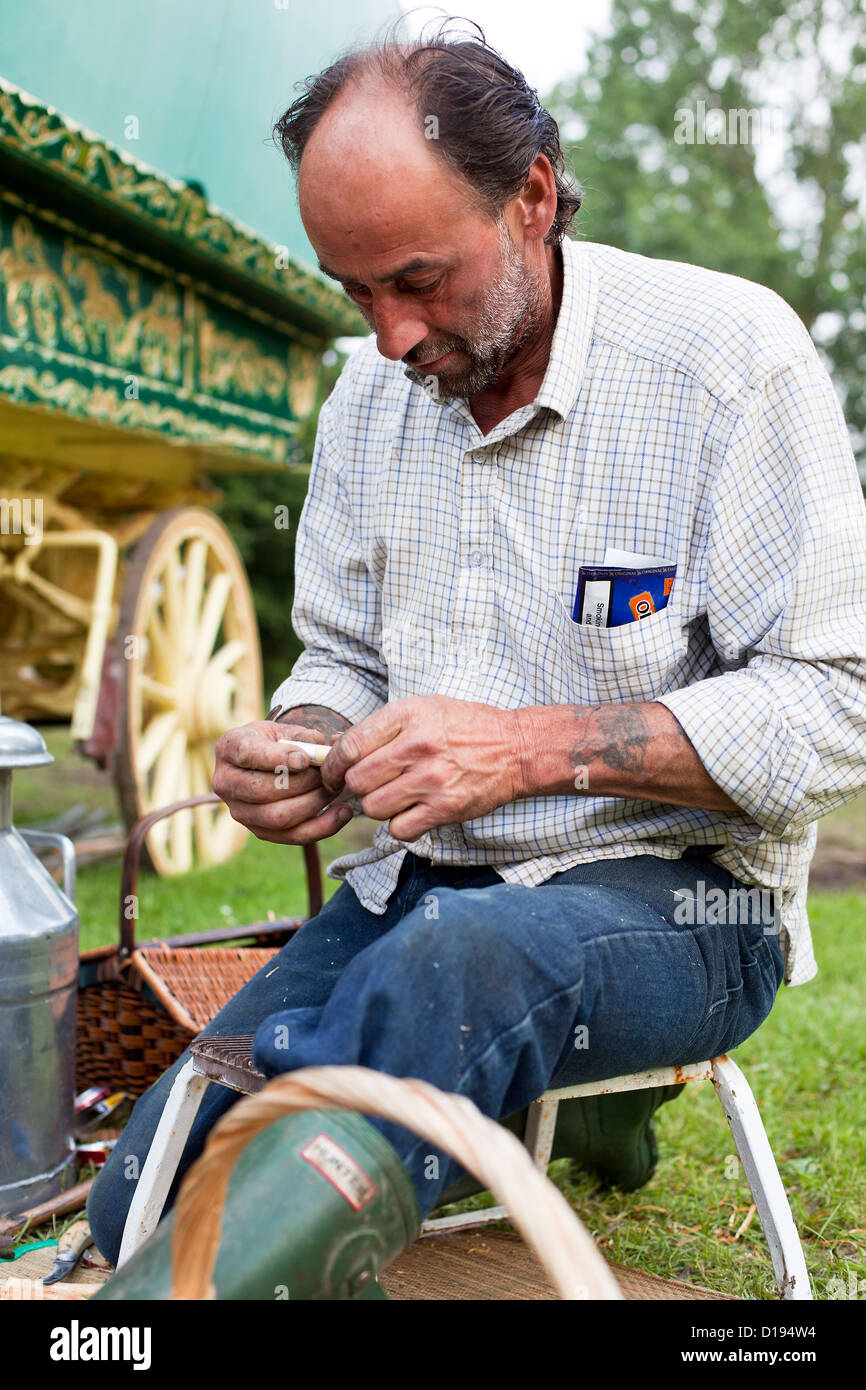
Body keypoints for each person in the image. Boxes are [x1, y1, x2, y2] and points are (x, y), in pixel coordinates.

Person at [88, 20, 866, 1277]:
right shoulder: (367, 396)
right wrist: (307, 746)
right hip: (423, 898)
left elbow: (841, 703)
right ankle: (488, 1099)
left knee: (455, 977)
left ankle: (525, 1102)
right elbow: (337, 662)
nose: (390, 337)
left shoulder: (730, 360)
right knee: (139, 1215)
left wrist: (528, 750)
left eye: (417, 279)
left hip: (682, 903)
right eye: (353, 292)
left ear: (535, 199)